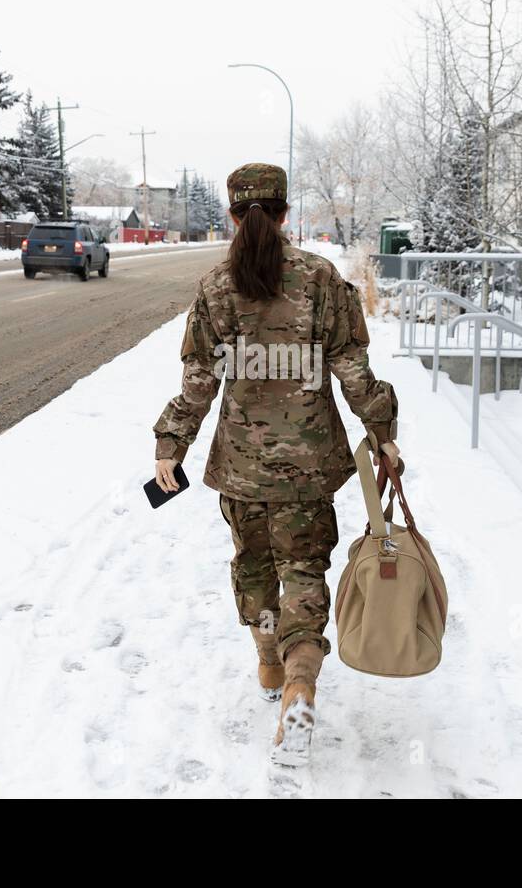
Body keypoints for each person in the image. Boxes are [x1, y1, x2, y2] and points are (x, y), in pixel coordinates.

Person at [153, 162, 399, 765]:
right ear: (285, 213)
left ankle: (269, 665)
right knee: (306, 569)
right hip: (311, 468)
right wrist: (384, 431)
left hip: (240, 467)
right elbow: (353, 372)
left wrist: (170, 443)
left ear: (233, 216)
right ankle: (299, 684)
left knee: (255, 568)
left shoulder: (215, 286)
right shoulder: (320, 279)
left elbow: (199, 381)